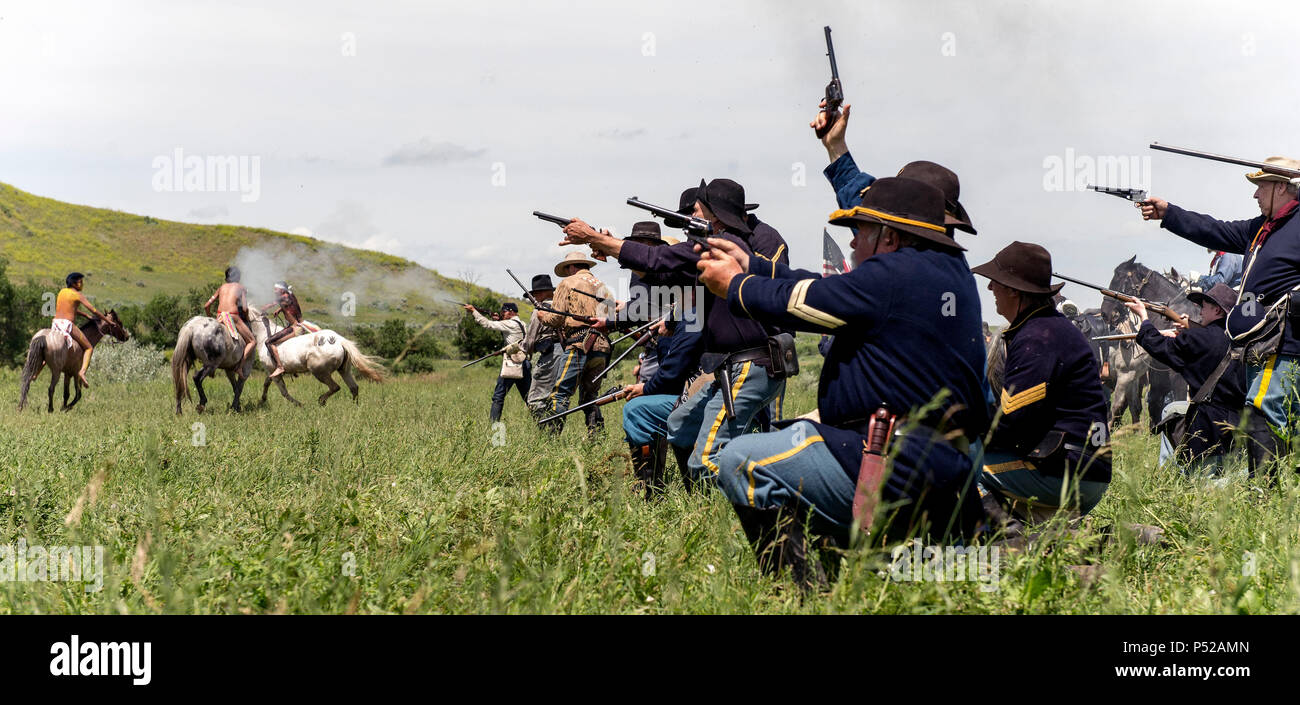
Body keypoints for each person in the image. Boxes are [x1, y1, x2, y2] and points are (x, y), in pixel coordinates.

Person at [695, 177, 989, 589]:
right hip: (941, 470)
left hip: (897, 465)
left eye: (861, 231)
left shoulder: (892, 274)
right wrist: (753, 264)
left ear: (888, 237)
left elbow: (803, 301)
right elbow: (832, 288)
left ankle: (802, 595)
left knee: (740, 460)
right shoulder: (945, 273)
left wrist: (737, 285)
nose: (852, 244)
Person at [561, 178, 787, 489]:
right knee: (680, 427)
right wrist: (609, 248)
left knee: (714, 456)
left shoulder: (726, 246)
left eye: (696, 211)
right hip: (724, 365)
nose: (689, 221)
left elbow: (658, 264)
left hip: (754, 362)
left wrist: (595, 239)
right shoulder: (711, 248)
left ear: (716, 215)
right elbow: (662, 274)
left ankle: (767, 504)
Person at [1139, 156, 1300, 478]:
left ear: (1282, 187)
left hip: (1283, 342)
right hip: (1261, 343)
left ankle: (1265, 495)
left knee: (1265, 414)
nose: (1255, 196)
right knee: (1268, 414)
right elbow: (1215, 230)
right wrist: (1170, 213)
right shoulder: (1261, 229)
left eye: (1261, 188)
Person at [973, 242, 1111, 524]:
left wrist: (958, 424)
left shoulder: (1037, 336)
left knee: (959, 462)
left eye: (996, 282)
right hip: (1078, 467)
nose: (990, 289)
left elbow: (1013, 426)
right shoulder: (1045, 327)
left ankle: (1011, 541)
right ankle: (1057, 531)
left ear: (1013, 289)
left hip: (1068, 470)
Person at [1128, 283, 1245, 474]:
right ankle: (1170, 472)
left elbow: (1158, 346)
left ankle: (1171, 474)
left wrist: (1144, 318)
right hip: (1239, 427)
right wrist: (1188, 331)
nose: (1200, 310)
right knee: (1171, 409)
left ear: (1217, 310)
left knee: (1206, 484)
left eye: (1204, 305)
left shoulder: (1198, 339)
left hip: (1207, 429)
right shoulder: (1239, 339)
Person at [622, 316, 704, 500]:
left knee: (635, 411)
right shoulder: (696, 310)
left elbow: (673, 371)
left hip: (708, 394)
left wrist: (645, 388)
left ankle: (651, 493)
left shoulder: (692, 314)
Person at [535, 251, 613, 434]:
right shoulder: (603, 286)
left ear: (572, 267)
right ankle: (597, 438)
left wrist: (542, 316)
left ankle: (551, 438)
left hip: (579, 344)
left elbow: (556, 318)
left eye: (567, 269)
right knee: (590, 396)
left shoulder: (567, 283)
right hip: (601, 346)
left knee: (561, 393)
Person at [467, 301, 530, 423]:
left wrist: (474, 311)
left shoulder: (510, 323)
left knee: (498, 397)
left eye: (504, 312)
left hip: (512, 364)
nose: (502, 314)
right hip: (524, 362)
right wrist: (498, 319)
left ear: (510, 312)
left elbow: (487, 325)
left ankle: (493, 427)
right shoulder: (521, 323)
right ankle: (544, 425)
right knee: (529, 398)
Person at [52, 272, 110, 387]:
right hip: (67, 325)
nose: (82, 284)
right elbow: (93, 310)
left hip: (55, 324)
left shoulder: (62, 292)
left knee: (49, 350)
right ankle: (82, 372)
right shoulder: (78, 295)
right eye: (81, 282)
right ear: (75, 283)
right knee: (88, 348)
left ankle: (36, 373)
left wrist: (84, 316)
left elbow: (70, 308)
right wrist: (108, 321)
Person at [520, 274, 563, 419]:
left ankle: (545, 433)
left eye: (536, 293)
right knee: (556, 398)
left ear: (541, 293)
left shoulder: (540, 310)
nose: (535, 297)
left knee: (534, 400)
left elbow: (530, 338)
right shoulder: (562, 307)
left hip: (550, 354)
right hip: (565, 353)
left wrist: (520, 349)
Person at [203, 266, 256, 377]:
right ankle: (240, 367)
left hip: (220, 317)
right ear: (238, 277)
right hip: (233, 317)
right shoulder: (241, 288)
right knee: (252, 341)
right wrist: (246, 318)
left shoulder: (221, 287)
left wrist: (211, 319)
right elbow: (245, 309)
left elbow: (206, 306)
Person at [262, 281, 321, 379]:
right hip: (301, 325)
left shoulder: (282, 297)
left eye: (276, 289)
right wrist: (280, 310)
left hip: (295, 328)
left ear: (281, 290)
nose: (274, 291)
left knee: (269, 342)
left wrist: (262, 309)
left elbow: (270, 304)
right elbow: (289, 304)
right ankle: (291, 367)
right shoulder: (290, 295)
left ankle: (280, 367)